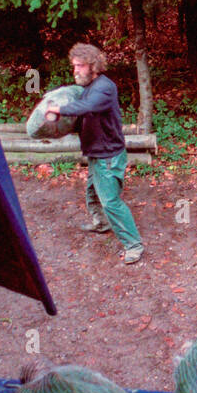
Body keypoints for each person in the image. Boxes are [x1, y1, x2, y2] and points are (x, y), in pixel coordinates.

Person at [46, 43, 144, 264]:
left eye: (80, 66)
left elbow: (87, 107)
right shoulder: (89, 86)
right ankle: (101, 223)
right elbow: (81, 111)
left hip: (108, 156)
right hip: (96, 153)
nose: (76, 71)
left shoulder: (104, 88)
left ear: (93, 65)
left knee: (110, 202)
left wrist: (59, 110)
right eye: (74, 66)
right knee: (92, 193)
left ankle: (134, 245)